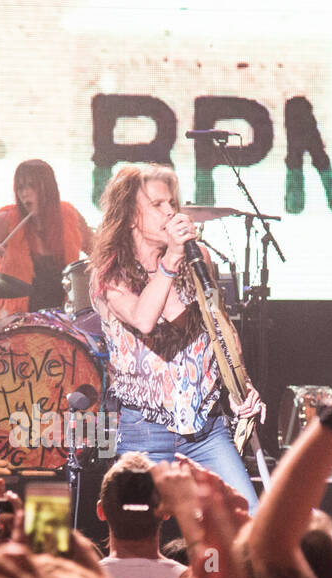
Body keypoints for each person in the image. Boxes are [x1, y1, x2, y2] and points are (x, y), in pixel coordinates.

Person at [88, 164, 264, 510]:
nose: (170, 212)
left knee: (247, 519)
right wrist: (170, 258)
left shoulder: (198, 262)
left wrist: (240, 386)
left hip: (207, 429)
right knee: (141, 534)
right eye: (157, 205)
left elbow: (220, 328)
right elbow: (144, 319)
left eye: (171, 203)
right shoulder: (110, 272)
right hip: (145, 433)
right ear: (130, 216)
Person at [0, 160, 93, 318]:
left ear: (49, 189)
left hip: (63, 323)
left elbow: (99, 252)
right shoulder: (6, 220)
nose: (25, 193)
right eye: (20, 187)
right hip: (16, 323)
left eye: (32, 186)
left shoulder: (69, 216)